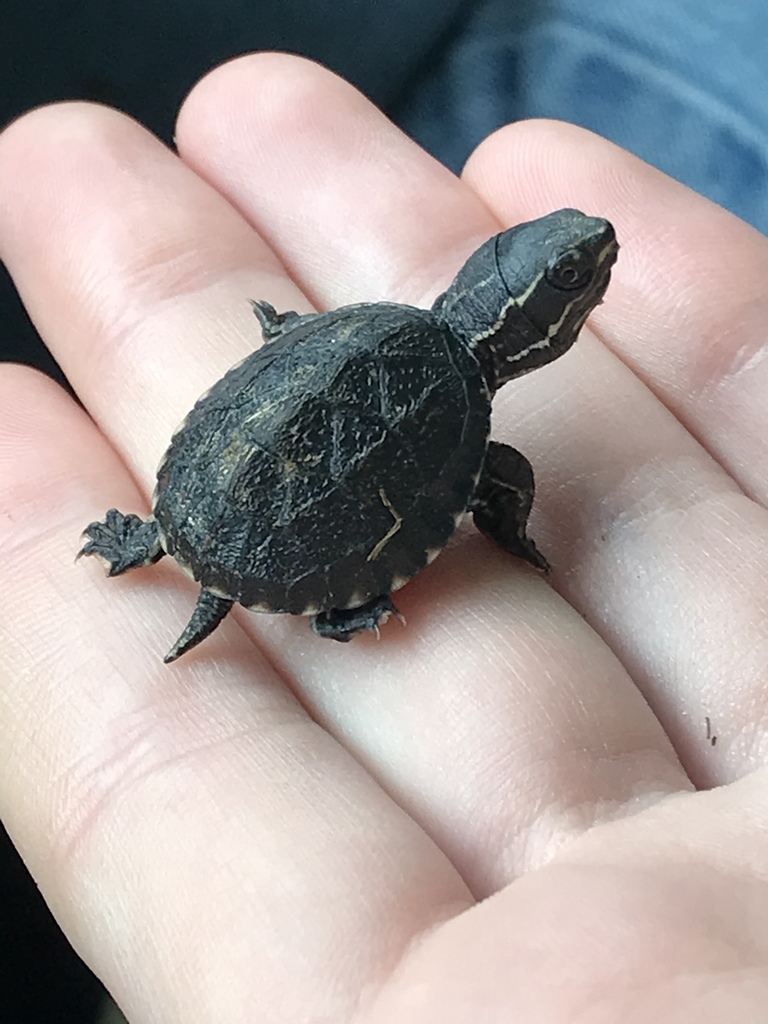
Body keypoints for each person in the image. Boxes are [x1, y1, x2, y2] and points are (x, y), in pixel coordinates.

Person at [0, 52, 767, 1022]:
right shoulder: (463, 412)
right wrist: (513, 535)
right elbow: (498, 484)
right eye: (573, 276)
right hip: (277, 526)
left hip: (195, 492)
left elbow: (300, 349)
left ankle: (164, 540)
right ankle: (335, 607)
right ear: (535, 322)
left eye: (575, 270)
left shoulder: (373, 320)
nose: (592, 258)